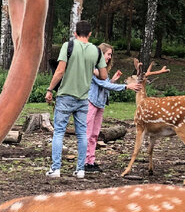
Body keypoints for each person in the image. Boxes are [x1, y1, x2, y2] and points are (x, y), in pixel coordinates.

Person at [44, 20, 108, 179]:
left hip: (65, 96)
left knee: (59, 132)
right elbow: (104, 76)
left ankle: (56, 168)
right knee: (81, 134)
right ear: (90, 34)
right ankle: (80, 170)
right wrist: (92, 71)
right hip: (83, 99)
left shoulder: (68, 46)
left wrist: (50, 89)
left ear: (75, 33)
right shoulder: (96, 51)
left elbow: (59, 71)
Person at [84, 43, 125, 172]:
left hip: (100, 104)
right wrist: (125, 87)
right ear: (101, 54)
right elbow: (103, 85)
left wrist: (112, 80)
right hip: (91, 102)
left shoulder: (103, 71)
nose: (109, 57)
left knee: (95, 134)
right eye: (108, 54)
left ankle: (91, 161)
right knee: (88, 133)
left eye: (111, 55)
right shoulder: (94, 69)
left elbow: (105, 85)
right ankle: (84, 161)